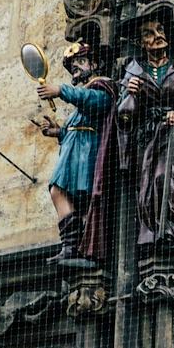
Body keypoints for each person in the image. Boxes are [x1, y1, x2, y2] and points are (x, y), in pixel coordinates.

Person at [79, 6, 174, 264]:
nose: (157, 36)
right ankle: (153, 232)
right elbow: (123, 117)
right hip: (147, 139)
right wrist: (131, 95)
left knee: (167, 179)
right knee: (148, 185)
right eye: (149, 33)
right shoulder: (133, 70)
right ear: (141, 42)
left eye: (160, 30)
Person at [32, 42, 116, 265]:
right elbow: (77, 126)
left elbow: (98, 104)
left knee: (85, 199)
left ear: (94, 64)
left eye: (79, 62)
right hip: (73, 155)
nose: (75, 68)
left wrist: (60, 90)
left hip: (88, 156)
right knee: (58, 191)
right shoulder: (82, 97)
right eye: (72, 66)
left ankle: (88, 250)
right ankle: (70, 245)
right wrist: (58, 132)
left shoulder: (102, 86)